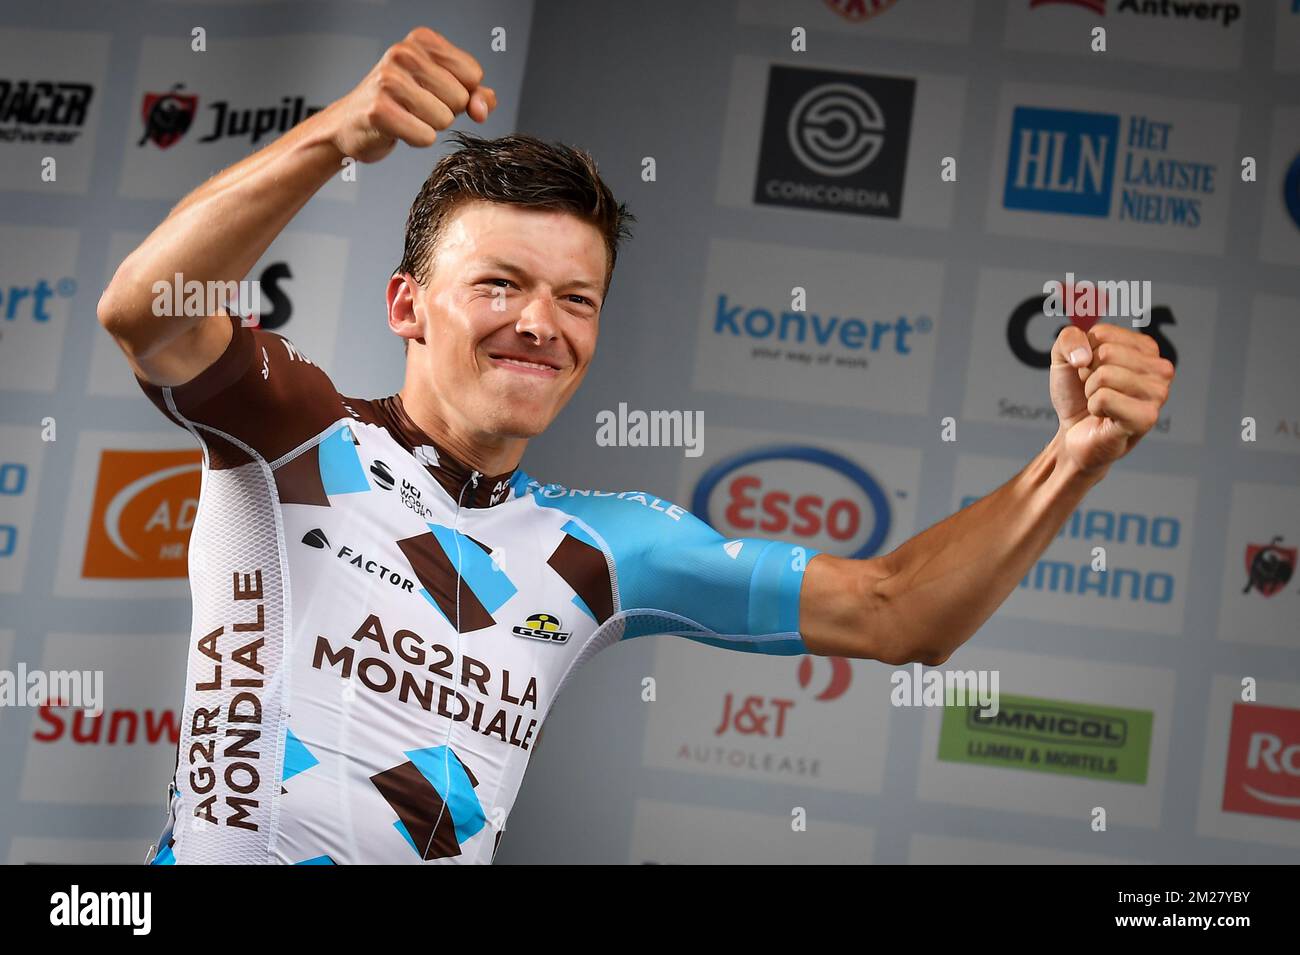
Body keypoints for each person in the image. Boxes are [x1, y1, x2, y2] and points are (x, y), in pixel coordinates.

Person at [96, 28, 1175, 864]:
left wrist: (1074, 457)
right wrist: (338, 135)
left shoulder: (602, 547)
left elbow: (903, 611)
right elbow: (144, 309)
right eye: (499, 284)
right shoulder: (298, 431)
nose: (540, 322)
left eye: (577, 296)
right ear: (407, 304)